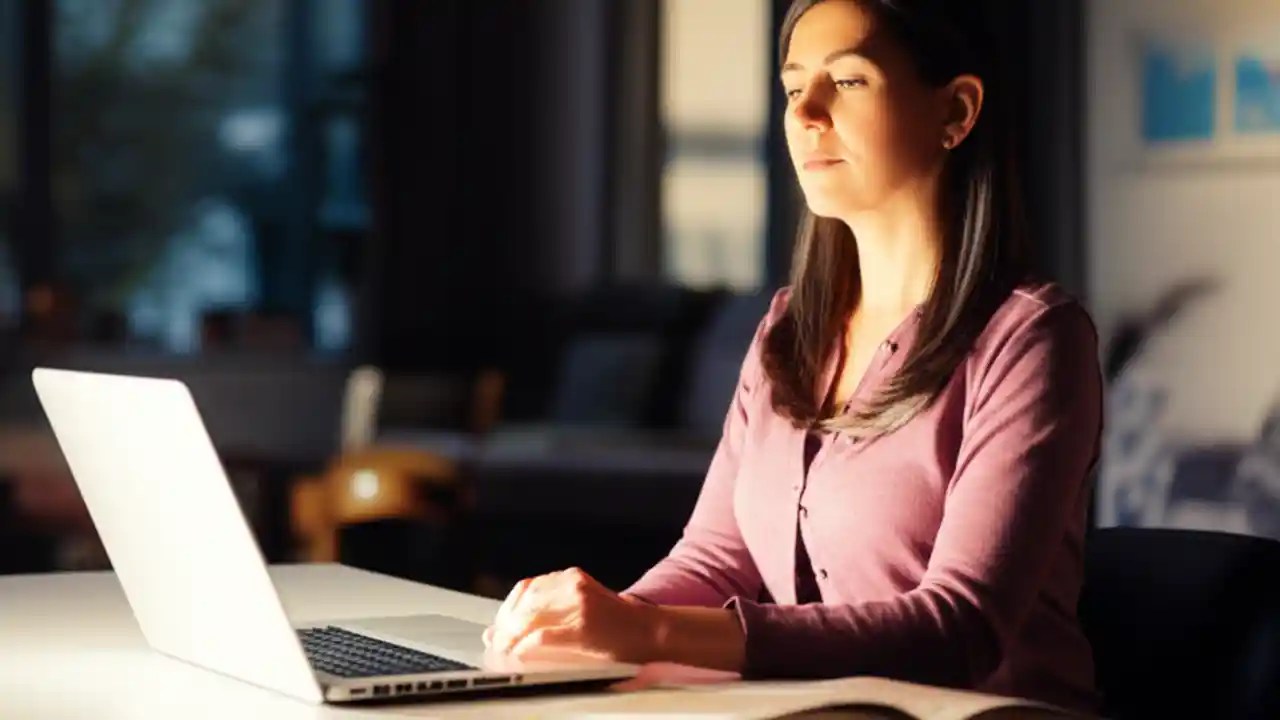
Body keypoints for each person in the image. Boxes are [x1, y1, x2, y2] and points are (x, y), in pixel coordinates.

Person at [482, 0, 1102, 712]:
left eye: (849, 81)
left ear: (956, 112)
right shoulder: (787, 330)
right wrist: (591, 629)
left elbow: (958, 630)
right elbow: (717, 559)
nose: (805, 113)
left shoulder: (1032, 340)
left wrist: (649, 630)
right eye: (792, 87)